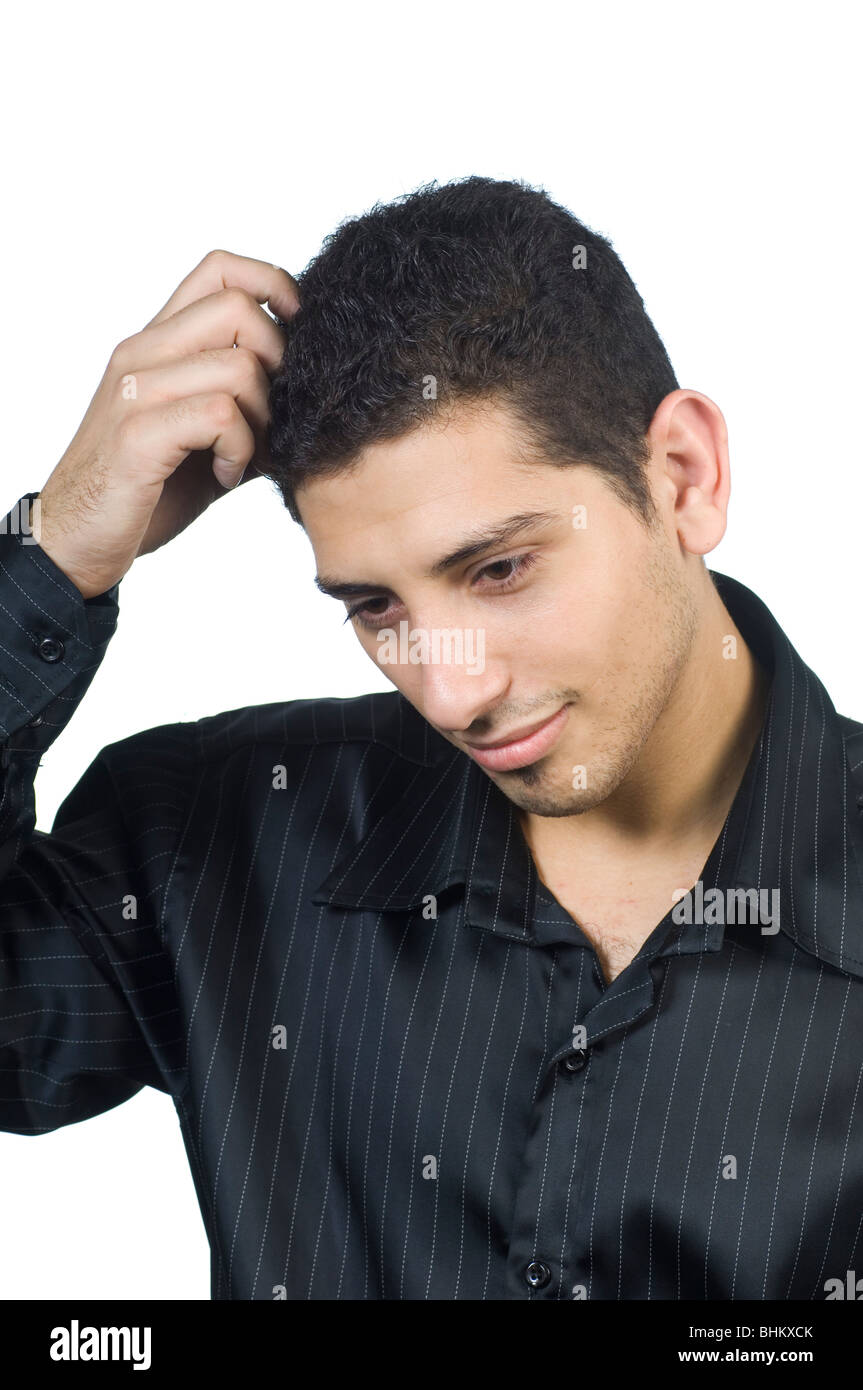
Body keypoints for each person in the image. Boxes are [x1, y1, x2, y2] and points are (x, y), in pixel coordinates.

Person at [2, 177, 861, 1301]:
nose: (450, 694)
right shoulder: (215, 838)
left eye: (498, 568)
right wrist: (52, 554)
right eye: (376, 607)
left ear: (682, 476)